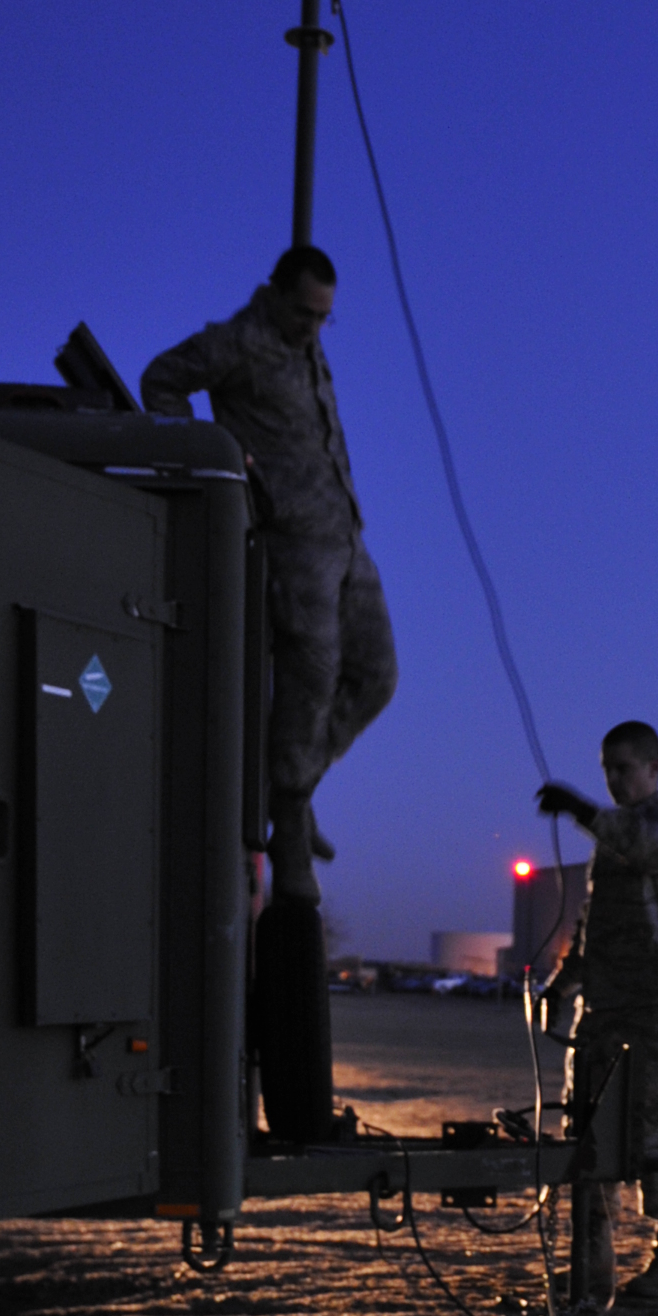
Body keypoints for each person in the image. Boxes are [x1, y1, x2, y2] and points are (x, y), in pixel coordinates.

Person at [141, 246, 396, 899]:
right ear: (274, 294)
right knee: (310, 676)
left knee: (376, 675)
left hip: (345, 532)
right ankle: (288, 831)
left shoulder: (305, 344)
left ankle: (296, 782)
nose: (314, 327)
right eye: (305, 313)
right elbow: (161, 379)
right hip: (292, 540)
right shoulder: (237, 344)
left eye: (324, 319)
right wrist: (222, 465)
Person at [536, 723, 658, 1309]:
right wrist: (560, 985)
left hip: (656, 1009)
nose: (613, 779)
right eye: (607, 769)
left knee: (656, 1134)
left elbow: (644, 845)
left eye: (624, 768)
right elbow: (592, 930)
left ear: (654, 769)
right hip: (603, 1011)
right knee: (587, 1136)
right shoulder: (609, 843)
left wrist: (579, 806)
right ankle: (591, 1264)